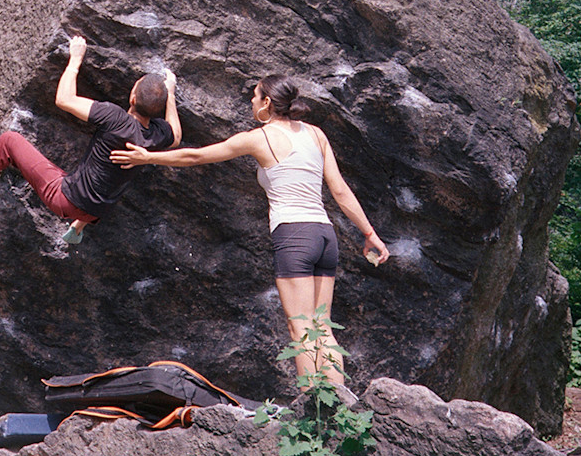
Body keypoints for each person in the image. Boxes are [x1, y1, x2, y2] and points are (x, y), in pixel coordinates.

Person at [110, 75, 388, 401]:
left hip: (294, 236)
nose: (251, 102)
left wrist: (147, 157)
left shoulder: (259, 138)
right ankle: (341, 407)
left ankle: (313, 413)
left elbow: (196, 156)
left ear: (267, 102)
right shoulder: (315, 134)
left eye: (255, 97)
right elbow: (339, 191)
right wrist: (370, 233)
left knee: (300, 329)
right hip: (324, 235)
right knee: (322, 326)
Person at [0, 35, 181, 244]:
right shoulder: (157, 135)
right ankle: (76, 229)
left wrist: (75, 59)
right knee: (109, 176)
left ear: (132, 97)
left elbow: (64, 99)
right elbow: (177, 136)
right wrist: (170, 94)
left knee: (9, 141)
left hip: (65, 199)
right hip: (96, 212)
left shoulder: (115, 117)